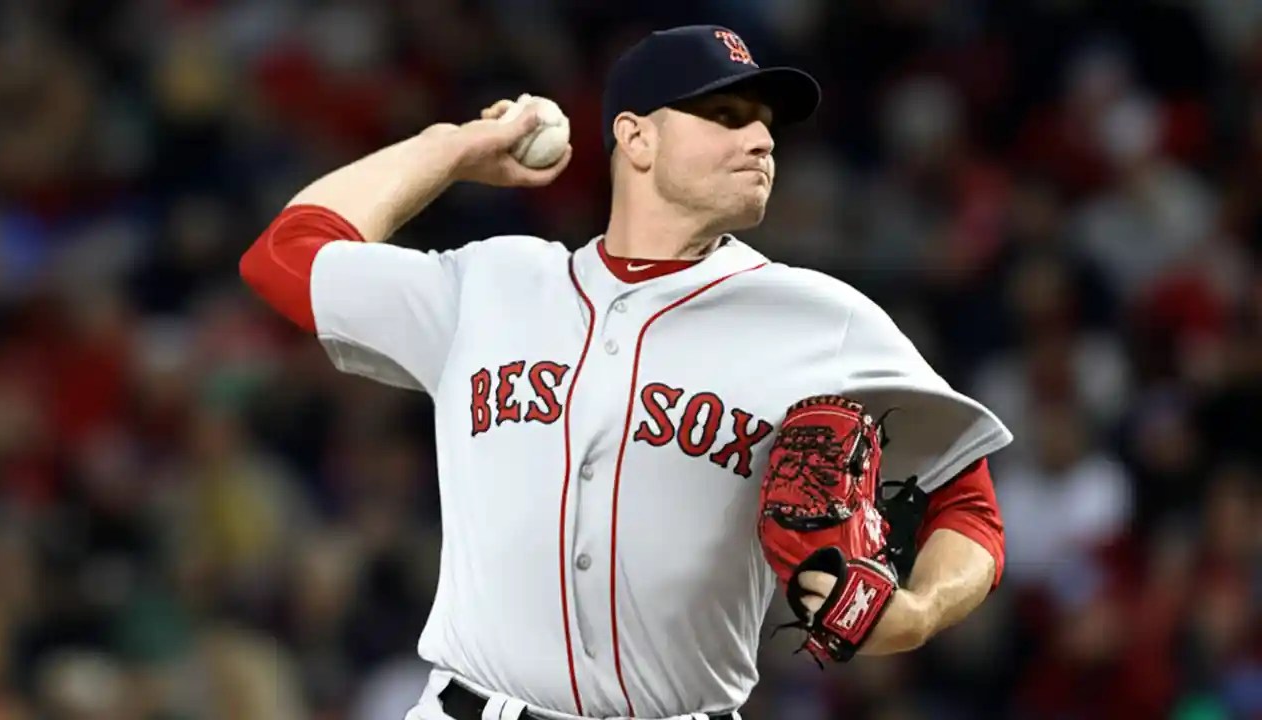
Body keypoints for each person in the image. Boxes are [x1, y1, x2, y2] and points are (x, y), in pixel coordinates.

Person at [240, 24, 1012, 720]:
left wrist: (915, 611)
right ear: (635, 138)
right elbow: (285, 254)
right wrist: (453, 150)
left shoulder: (821, 320)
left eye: (766, 125)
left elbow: (970, 507)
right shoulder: (492, 284)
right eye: (726, 117)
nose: (761, 141)